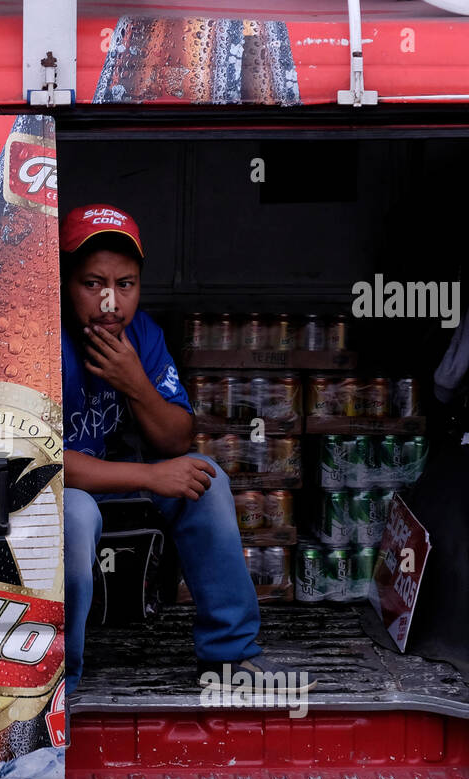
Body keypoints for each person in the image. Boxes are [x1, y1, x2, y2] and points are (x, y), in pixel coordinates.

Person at [60, 203, 312, 696]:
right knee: (78, 516)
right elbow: (41, 464)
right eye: (93, 283)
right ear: (65, 282)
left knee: (206, 477)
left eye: (126, 284)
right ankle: (60, 683)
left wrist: (136, 384)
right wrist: (150, 478)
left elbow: (176, 439)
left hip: (119, 475)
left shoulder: (143, 336)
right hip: (62, 490)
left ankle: (229, 656)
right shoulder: (41, 340)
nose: (111, 301)